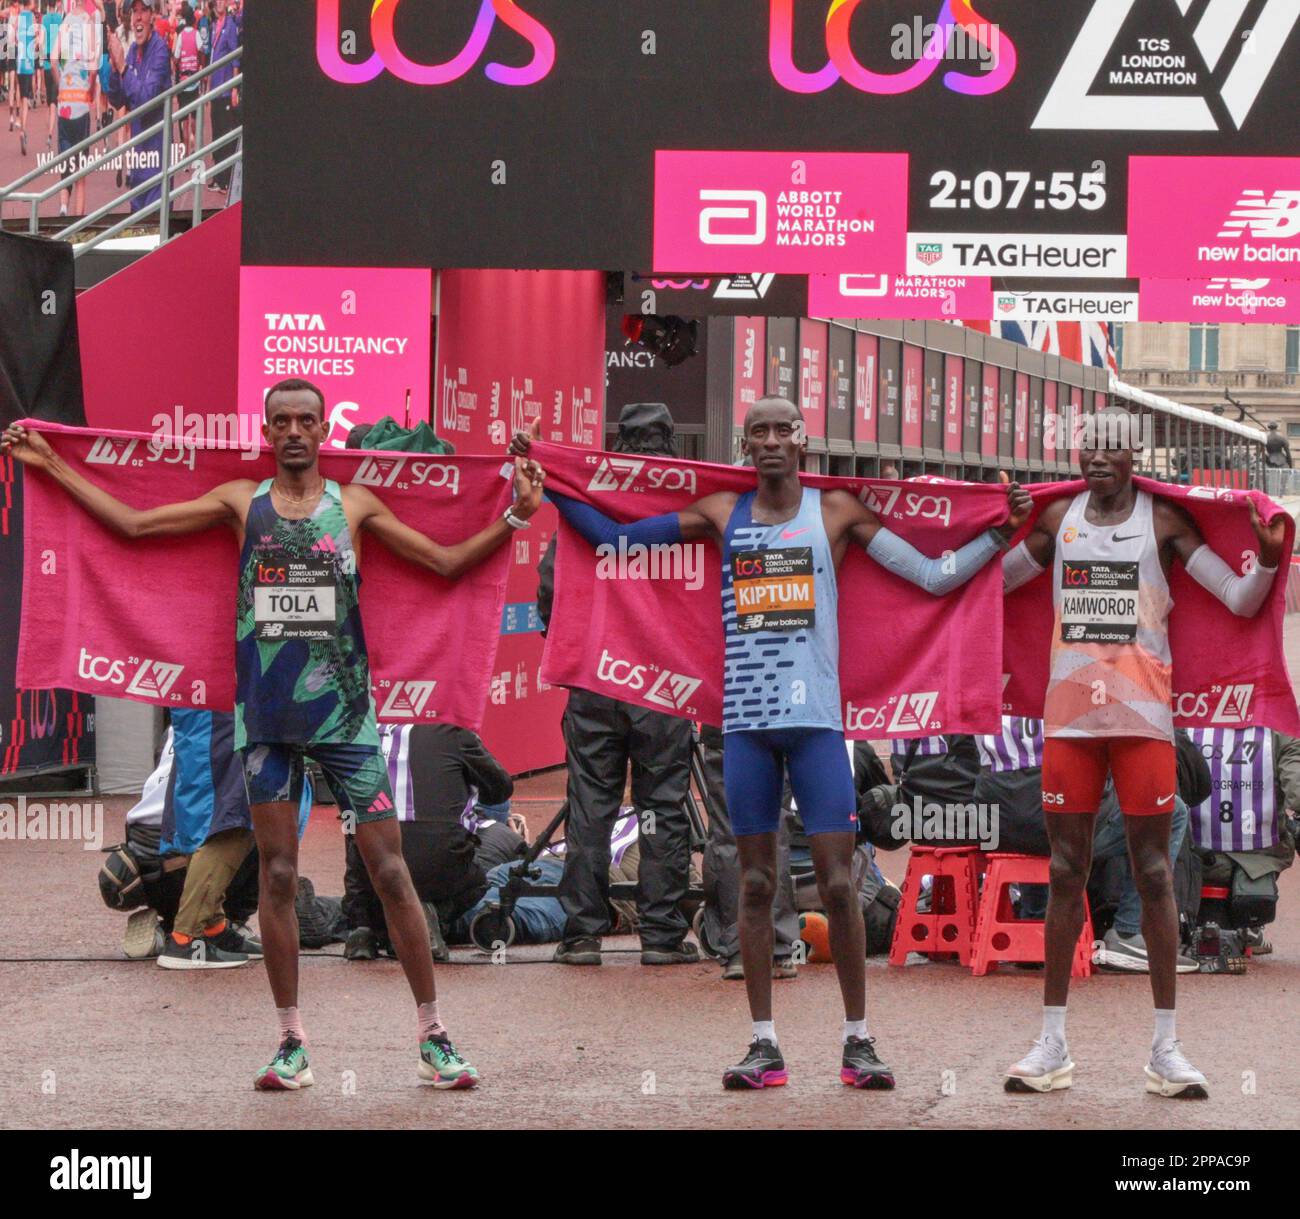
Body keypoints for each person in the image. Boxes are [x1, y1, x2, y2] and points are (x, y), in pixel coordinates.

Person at [2, 377, 545, 1093]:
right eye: (281, 420)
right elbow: (135, 526)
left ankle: (433, 1034)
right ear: (268, 432)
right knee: (279, 875)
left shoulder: (353, 506)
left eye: (305, 420)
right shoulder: (240, 504)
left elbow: (443, 564)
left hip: (345, 721)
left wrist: (515, 516)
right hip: (266, 722)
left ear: (323, 432)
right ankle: (290, 1040)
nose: (293, 430)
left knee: (391, 871)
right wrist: (54, 467)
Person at [514, 395, 1030, 1090]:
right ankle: (763, 1044)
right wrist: (547, 491)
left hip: (817, 725)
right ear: (744, 444)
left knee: (842, 886)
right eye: (758, 432)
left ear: (802, 439)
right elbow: (617, 541)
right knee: (755, 882)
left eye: (781, 429)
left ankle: (858, 1040)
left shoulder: (838, 512)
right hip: (747, 726)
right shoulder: (723, 514)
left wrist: (1002, 536)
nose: (770, 441)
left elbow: (932, 577)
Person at [1000, 406, 1284, 1099]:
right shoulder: (1058, 520)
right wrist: (1003, 530)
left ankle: (1167, 1049)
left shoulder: (1161, 522)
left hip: (1142, 720)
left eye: (1113, 449)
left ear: (1136, 458)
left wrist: (1270, 559)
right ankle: (1051, 1043)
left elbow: (1240, 599)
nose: (1099, 458)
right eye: (1088, 447)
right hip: (1070, 717)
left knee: (1154, 871)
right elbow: (997, 582)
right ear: (1076, 455)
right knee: (1065, 869)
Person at [536, 403, 700, 968]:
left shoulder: (587, 511)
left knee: (590, 806)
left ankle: (581, 935)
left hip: (597, 682)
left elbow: (549, 596)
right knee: (663, 807)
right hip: (663, 685)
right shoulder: (686, 507)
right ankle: (660, 936)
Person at [342, 722, 514, 962]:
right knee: (479, 882)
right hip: (438, 865)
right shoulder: (455, 733)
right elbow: (500, 790)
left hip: (373, 867)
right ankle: (428, 917)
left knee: (357, 829)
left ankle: (362, 929)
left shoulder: (365, 730)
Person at [105, 0, 170, 211]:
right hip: (139, 162)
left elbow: (145, 100)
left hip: (157, 165)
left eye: (144, 10)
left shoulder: (160, 51)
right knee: (138, 232)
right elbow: (117, 100)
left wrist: (123, 67)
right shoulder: (133, 50)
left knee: (156, 238)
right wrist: (115, 68)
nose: (138, 17)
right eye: (135, 12)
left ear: (152, 16)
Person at [52, 0, 98, 218]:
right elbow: (93, 64)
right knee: (81, 170)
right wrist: (89, 88)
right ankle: (78, 220)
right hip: (81, 101)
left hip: (65, 101)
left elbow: (53, 59)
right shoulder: (88, 23)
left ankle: (62, 207)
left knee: (65, 157)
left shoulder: (65, 22)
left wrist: (61, 82)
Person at [204, 0, 235, 189]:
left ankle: (225, 179)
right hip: (215, 90)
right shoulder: (214, 25)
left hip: (225, 90)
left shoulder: (230, 25)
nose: (219, 3)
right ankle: (218, 176)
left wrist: (233, 88)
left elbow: (235, 57)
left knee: (225, 134)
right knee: (216, 134)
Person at [11, 0, 37, 155]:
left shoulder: (18, 17)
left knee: (21, 95)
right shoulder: (32, 18)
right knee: (26, 98)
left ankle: (20, 120)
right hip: (28, 62)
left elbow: (14, 39)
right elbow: (35, 38)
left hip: (19, 61)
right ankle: (23, 129)